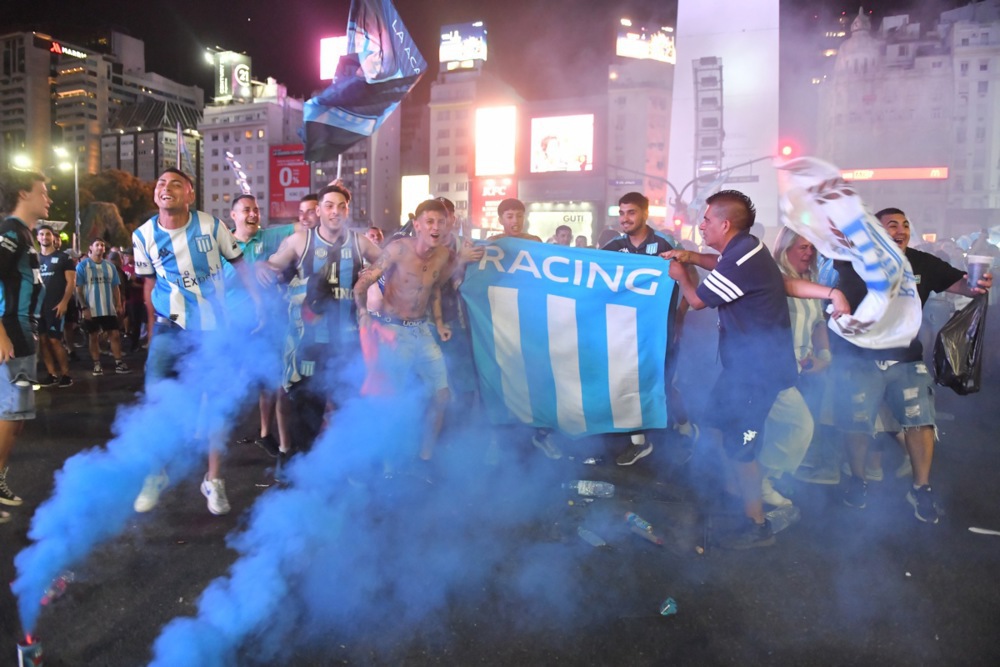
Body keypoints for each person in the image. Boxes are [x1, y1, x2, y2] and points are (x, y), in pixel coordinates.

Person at [664, 191, 825, 549]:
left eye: (707, 220)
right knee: (714, 422)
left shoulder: (741, 257)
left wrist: (681, 275)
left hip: (758, 373)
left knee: (741, 447)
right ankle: (732, 491)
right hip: (742, 368)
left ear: (725, 225)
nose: (702, 225)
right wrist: (691, 256)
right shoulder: (744, 248)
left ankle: (757, 524)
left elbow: (697, 300)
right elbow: (719, 263)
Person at [834, 207, 992, 523]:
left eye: (905, 225)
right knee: (857, 423)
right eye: (891, 225)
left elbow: (961, 285)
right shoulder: (854, 261)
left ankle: (921, 487)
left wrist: (978, 283)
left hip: (907, 359)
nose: (901, 230)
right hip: (860, 359)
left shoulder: (921, 263)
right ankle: (857, 479)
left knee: (921, 422)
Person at [131, 168, 260, 516]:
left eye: (176, 184)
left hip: (213, 330)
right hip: (168, 328)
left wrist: (259, 305)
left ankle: (213, 479)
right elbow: (148, 285)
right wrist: (150, 332)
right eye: (161, 183)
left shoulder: (211, 227)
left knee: (216, 404)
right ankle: (156, 473)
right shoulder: (142, 235)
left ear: (190, 194)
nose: (166, 188)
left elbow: (240, 265)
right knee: (157, 403)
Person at [258, 184, 381, 460]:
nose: (335, 212)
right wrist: (261, 268)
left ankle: (342, 472)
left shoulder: (360, 243)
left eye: (341, 206)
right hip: (308, 343)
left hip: (346, 342)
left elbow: (389, 262)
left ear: (347, 210)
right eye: (329, 206)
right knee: (306, 418)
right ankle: (303, 472)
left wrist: (371, 278)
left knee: (348, 411)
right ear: (319, 211)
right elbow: (271, 266)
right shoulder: (300, 241)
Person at [354, 198, 458, 460]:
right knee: (391, 399)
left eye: (441, 222)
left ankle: (426, 455)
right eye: (429, 221)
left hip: (422, 331)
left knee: (442, 396)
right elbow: (362, 284)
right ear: (417, 225)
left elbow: (434, 286)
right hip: (394, 332)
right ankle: (385, 460)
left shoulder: (443, 255)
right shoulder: (398, 249)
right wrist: (363, 312)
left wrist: (439, 323)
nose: (436, 227)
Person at [601, 192, 693, 466]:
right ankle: (640, 441)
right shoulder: (613, 247)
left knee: (663, 383)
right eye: (621, 213)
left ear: (644, 213)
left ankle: (685, 428)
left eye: (631, 212)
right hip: (625, 332)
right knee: (628, 381)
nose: (625, 219)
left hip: (661, 330)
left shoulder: (665, 243)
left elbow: (691, 277)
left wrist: (680, 314)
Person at [756, 228, 829, 505]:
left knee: (776, 430)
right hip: (770, 368)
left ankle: (758, 484)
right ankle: (761, 484)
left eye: (812, 247)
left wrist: (824, 355)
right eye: (803, 247)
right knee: (800, 426)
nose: (809, 253)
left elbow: (818, 322)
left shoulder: (811, 279)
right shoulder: (773, 276)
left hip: (797, 369)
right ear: (785, 248)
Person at [487, 198, 560, 459]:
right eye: (509, 216)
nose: (515, 221)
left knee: (537, 376)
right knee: (499, 377)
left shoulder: (535, 242)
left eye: (519, 215)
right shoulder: (492, 244)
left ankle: (541, 433)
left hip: (530, 319)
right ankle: (497, 439)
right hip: (499, 319)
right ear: (501, 219)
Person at [225, 194, 293, 458]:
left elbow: (303, 225)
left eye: (256, 209)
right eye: (246, 210)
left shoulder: (268, 238)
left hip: (267, 324)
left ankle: (265, 433)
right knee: (224, 381)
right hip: (234, 326)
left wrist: (327, 198)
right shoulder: (222, 245)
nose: (253, 214)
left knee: (271, 380)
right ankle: (205, 431)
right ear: (233, 215)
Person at [0, 170, 46, 523]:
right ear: (23, 194)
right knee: (9, 413)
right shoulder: (11, 231)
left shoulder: (26, 234)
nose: (48, 198)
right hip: (12, 336)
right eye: (42, 192)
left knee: (17, 417)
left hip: (25, 335)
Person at [76, 239, 130, 376]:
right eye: (97, 245)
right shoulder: (83, 266)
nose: (100, 247)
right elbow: (78, 289)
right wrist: (84, 307)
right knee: (93, 336)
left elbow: (115, 286)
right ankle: (97, 364)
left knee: (115, 335)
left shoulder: (110, 266)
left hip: (108, 307)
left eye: (102, 245)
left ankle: (118, 362)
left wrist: (118, 304)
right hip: (92, 308)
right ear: (91, 247)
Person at [35, 224, 75, 387]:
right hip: (38, 308)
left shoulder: (64, 258)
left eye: (48, 234)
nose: (45, 237)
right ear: (38, 238)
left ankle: (66, 375)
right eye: (41, 234)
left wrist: (64, 302)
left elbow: (71, 282)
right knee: (43, 341)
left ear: (53, 237)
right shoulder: (34, 259)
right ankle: (51, 374)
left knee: (55, 341)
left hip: (56, 307)